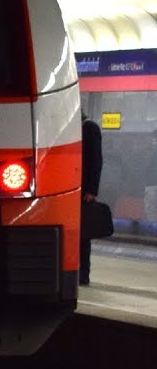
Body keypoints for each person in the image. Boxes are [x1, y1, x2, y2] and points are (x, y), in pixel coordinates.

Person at [81, 115, 103, 286]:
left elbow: (96, 160)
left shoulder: (90, 128)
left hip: (83, 191)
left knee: (83, 235)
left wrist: (91, 190)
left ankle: (83, 275)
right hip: (74, 188)